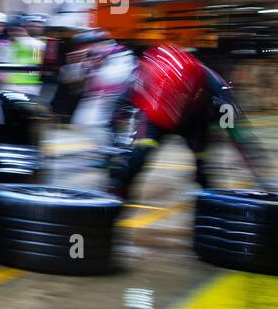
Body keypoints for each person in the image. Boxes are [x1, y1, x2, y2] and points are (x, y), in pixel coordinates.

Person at [108, 44, 270, 200]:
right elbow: (117, 112)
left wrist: (262, 177)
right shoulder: (144, 80)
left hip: (195, 122)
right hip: (156, 120)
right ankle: (116, 198)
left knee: (203, 168)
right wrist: (117, 148)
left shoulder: (217, 92)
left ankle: (208, 204)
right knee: (136, 159)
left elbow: (241, 138)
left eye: (178, 100)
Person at [69, 28, 137, 160]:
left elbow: (119, 78)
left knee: (111, 130)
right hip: (98, 99)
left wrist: (97, 67)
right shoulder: (91, 56)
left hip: (120, 98)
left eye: (89, 44)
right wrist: (82, 66)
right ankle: (108, 153)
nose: (86, 47)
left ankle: (116, 154)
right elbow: (72, 79)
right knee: (83, 123)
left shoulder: (120, 52)